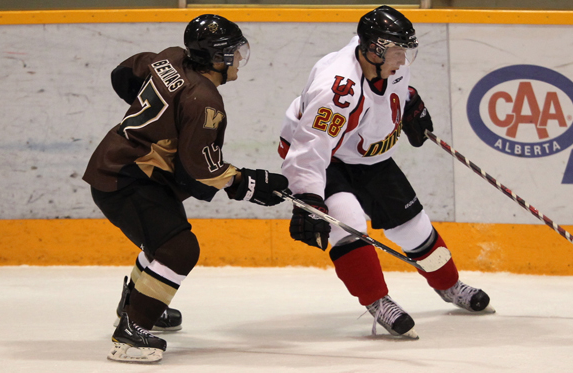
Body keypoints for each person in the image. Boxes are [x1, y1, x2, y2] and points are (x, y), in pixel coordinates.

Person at [278, 5, 494, 340]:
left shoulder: (387, 63)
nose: (403, 60)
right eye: (397, 52)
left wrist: (411, 104)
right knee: (348, 224)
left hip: (368, 157)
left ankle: (450, 286)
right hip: (324, 159)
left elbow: (397, 90)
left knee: (414, 229)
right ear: (374, 49)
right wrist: (308, 198)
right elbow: (310, 149)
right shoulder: (336, 90)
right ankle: (378, 301)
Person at [83, 14, 289, 363]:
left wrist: (158, 120)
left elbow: (125, 72)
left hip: (127, 167)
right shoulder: (204, 100)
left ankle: (135, 305)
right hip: (126, 178)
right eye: (234, 52)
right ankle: (131, 334)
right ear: (217, 58)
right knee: (178, 249)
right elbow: (202, 169)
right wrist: (248, 184)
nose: (239, 58)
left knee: (164, 237)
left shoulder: (170, 57)